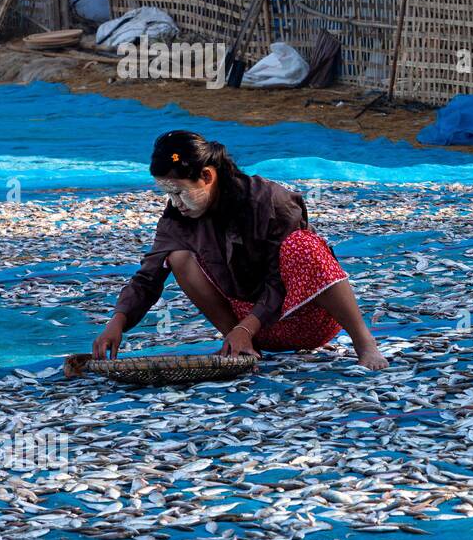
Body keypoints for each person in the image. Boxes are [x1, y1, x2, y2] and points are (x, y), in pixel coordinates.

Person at [93, 130, 389, 370]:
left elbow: (279, 280)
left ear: (207, 177)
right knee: (177, 256)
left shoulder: (269, 200)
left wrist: (248, 327)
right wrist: (117, 322)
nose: (175, 203)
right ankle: (247, 351)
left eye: (180, 192)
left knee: (303, 246)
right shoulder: (178, 218)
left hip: (305, 317)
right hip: (249, 330)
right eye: (168, 194)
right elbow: (148, 278)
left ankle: (364, 342)